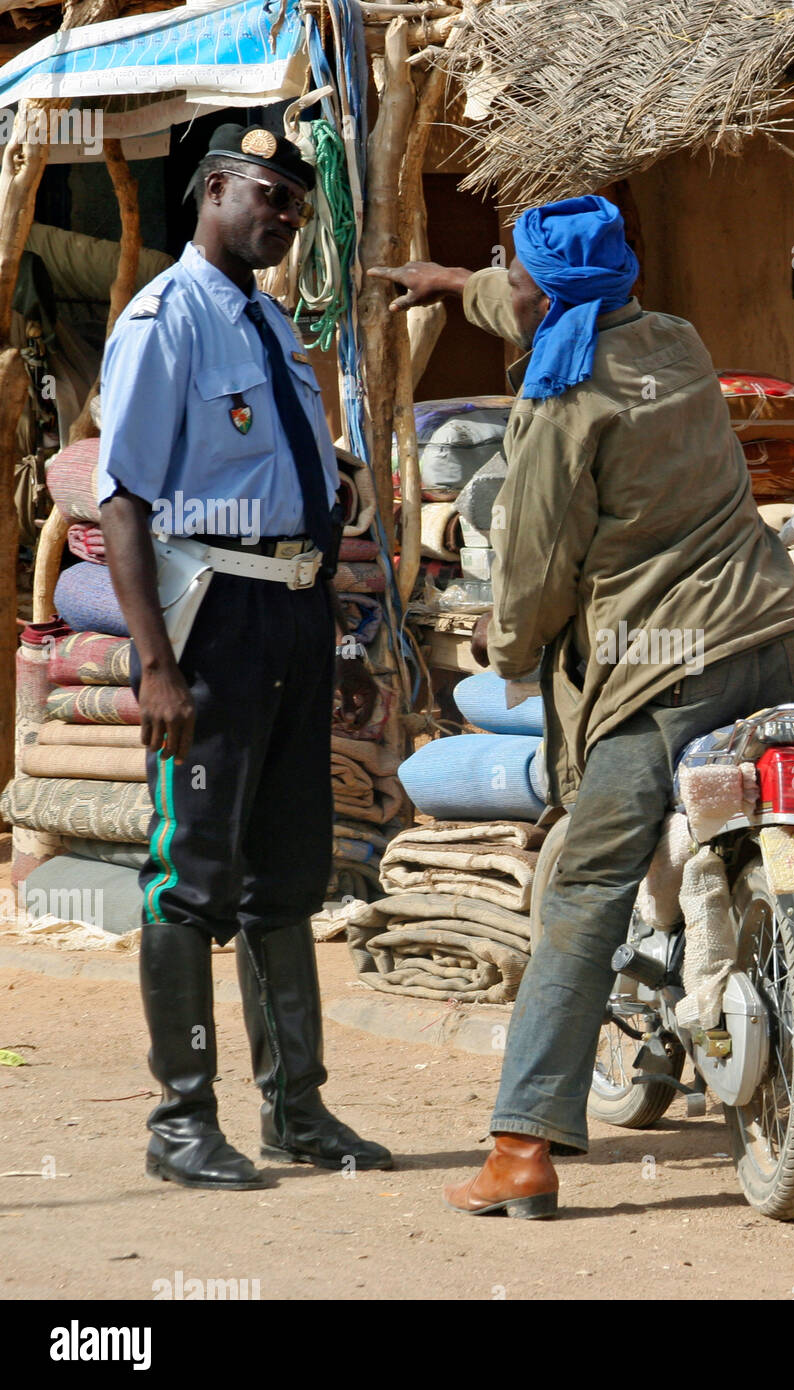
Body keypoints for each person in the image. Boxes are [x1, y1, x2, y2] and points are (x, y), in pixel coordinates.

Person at [369, 195, 794, 1218]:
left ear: (545, 295)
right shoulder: (677, 341)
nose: (504, 288)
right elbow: (537, 299)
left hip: (662, 674)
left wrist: (511, 651)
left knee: (584, 886)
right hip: (780, 642)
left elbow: (530, 563)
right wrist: (451, 285)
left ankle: (522, 1146)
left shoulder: (558, 405)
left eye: (509, 275)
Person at [99, 123, 392, 1190]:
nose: (284, 218)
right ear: (213, 189)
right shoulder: (164, 320)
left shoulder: (272, 323)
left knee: (289, 877)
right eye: (269, 196)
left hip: (295, 618)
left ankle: (297, 1112)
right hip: (211, 623)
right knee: (190, 880)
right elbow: (124, 498)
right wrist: (155, 665)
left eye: (296, 207)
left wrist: (332, 496)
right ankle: (180, 1121)